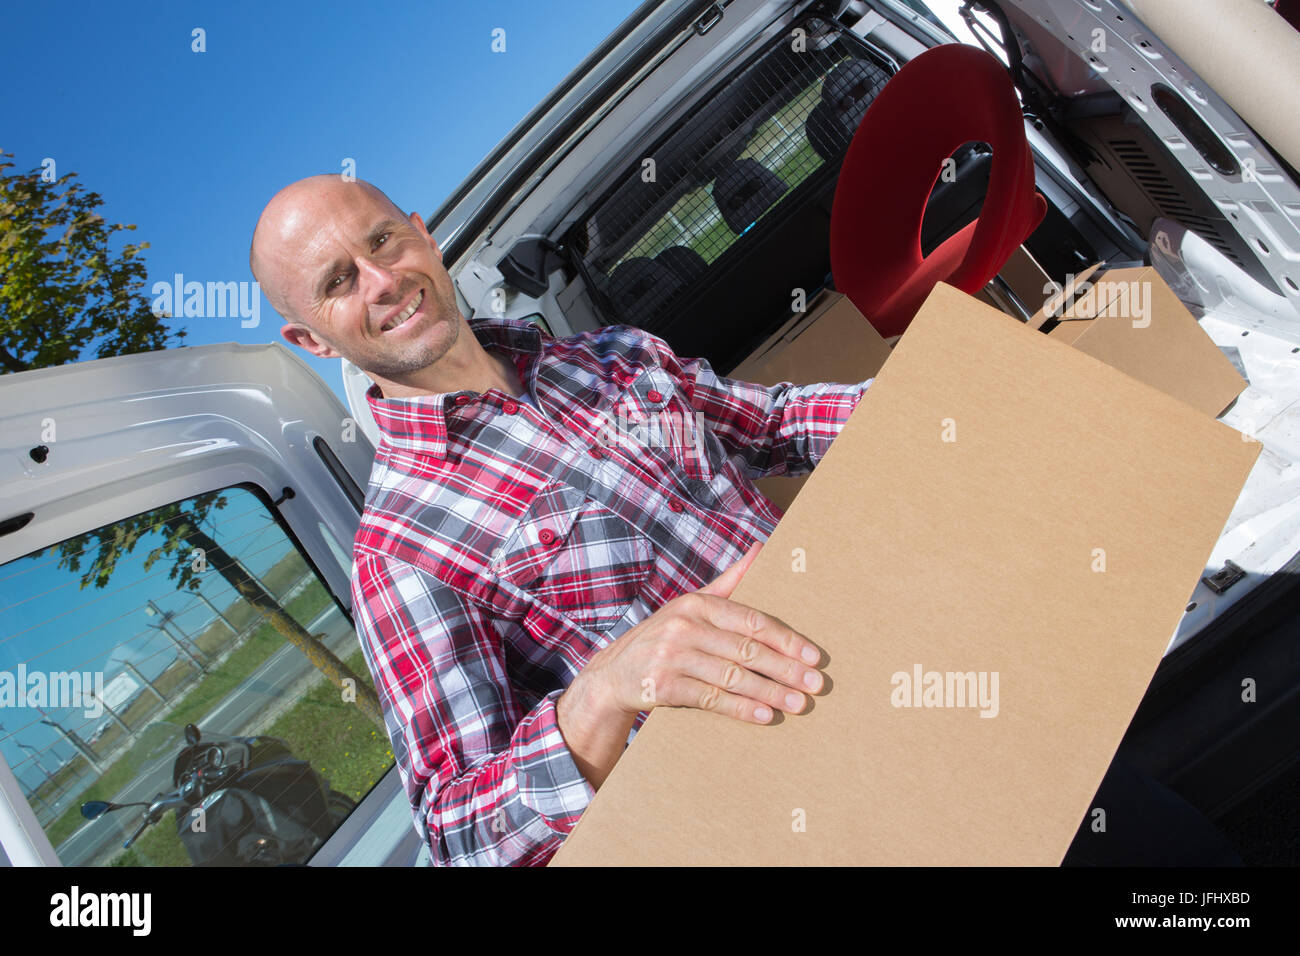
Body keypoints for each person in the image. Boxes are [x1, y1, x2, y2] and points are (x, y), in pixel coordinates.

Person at [249, 175, 867, 865]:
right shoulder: (399, 552)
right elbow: (459, 834)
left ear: (423, 235)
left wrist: (940, 390)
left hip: (866, 645)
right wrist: (604, 692)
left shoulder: (611, 356)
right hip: (779, 803)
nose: (382, 280)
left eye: (383, 240)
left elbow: (778, 424)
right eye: (339, 281)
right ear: (312, 339)